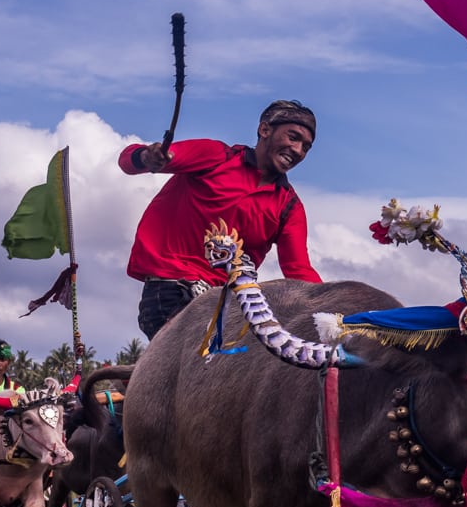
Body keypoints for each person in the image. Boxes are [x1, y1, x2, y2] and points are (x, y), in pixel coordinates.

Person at [120, 99, 323, 340]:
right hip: (172, 291)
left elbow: (298, 270)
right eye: (293, 137)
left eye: (306, 147)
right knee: (205, 363)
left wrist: (335, 309)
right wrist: (146, 157)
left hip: (227, 307)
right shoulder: (216, 157)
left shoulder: (289, 206)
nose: (299, 151)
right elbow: (127, 160)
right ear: (265, 130)